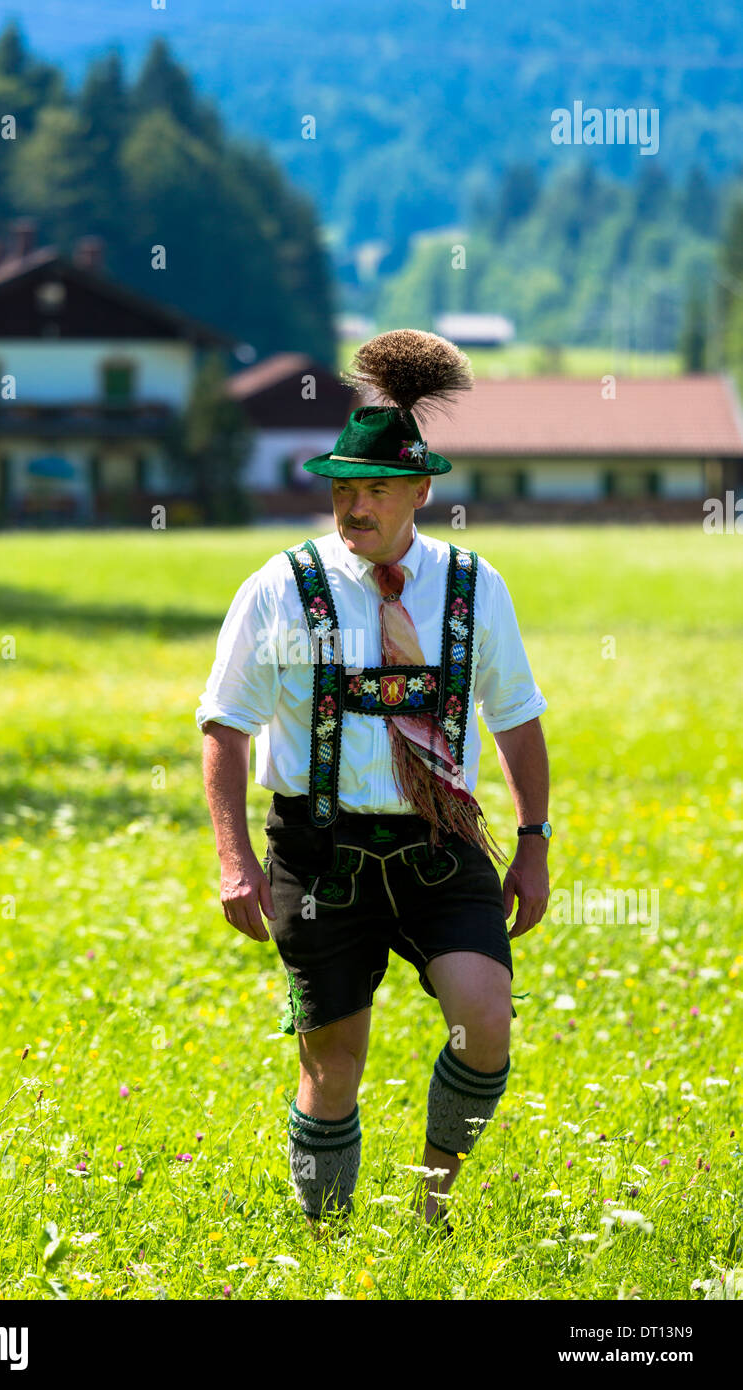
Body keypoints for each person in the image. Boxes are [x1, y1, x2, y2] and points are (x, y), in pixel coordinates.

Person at [196, 329, 550, 1232]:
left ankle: (433, 1201)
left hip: (443, 844)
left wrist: (534, 843)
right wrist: (235, 862)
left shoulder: (474, 587)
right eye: (343, 488)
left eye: (375, 489)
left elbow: (514, 717)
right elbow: (224, 727)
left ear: (421, 491)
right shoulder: (281, 587)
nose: (355, 505)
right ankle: (329, 1239)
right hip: (321, 853)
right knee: (333, 1058)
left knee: (486, 1023)